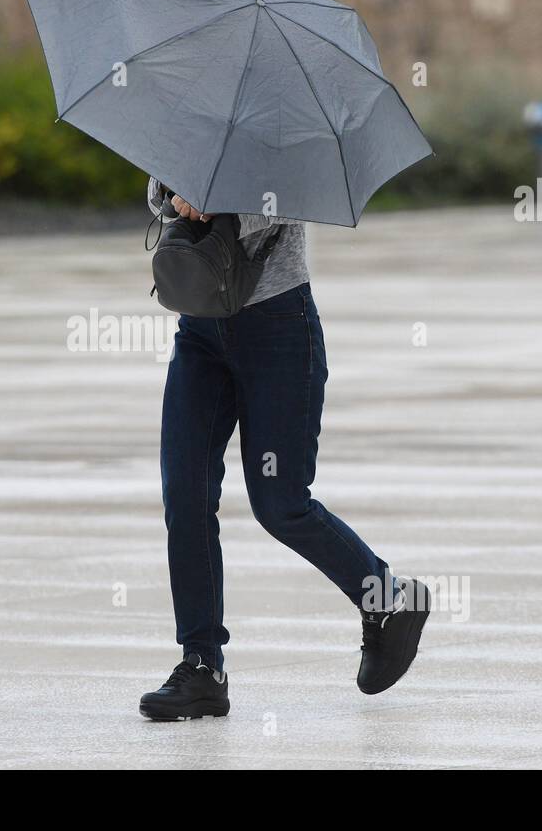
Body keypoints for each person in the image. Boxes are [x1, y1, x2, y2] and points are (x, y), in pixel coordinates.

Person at [139, 177, 430, 721]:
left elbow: (288, 200)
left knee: (280, 504)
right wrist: (170, 195)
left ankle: (388, 599)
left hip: (278, 326)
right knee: (185, 490)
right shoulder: (194, 98)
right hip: (200, 324)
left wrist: (216, 208)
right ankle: (202, 666)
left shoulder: (281, 106)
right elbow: (160, 187)